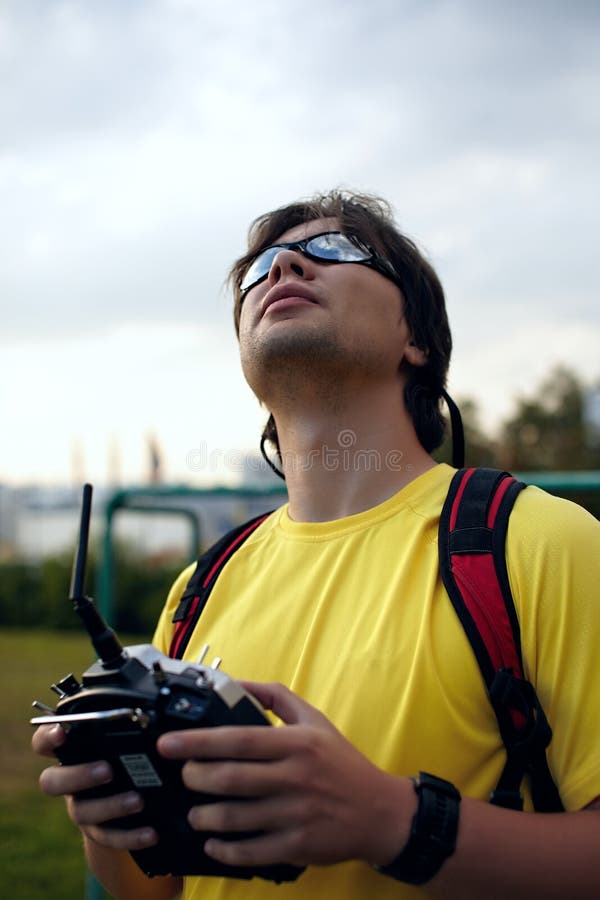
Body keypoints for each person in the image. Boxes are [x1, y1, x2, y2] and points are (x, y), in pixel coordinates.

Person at [33, 190, 600, 899]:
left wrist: (392, 822)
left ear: (417, 341)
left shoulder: (540, 544)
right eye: (259, 268)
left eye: (335, 249)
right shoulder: (203, 584)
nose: (282, 268)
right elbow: (155, 890)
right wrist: (111, 815)